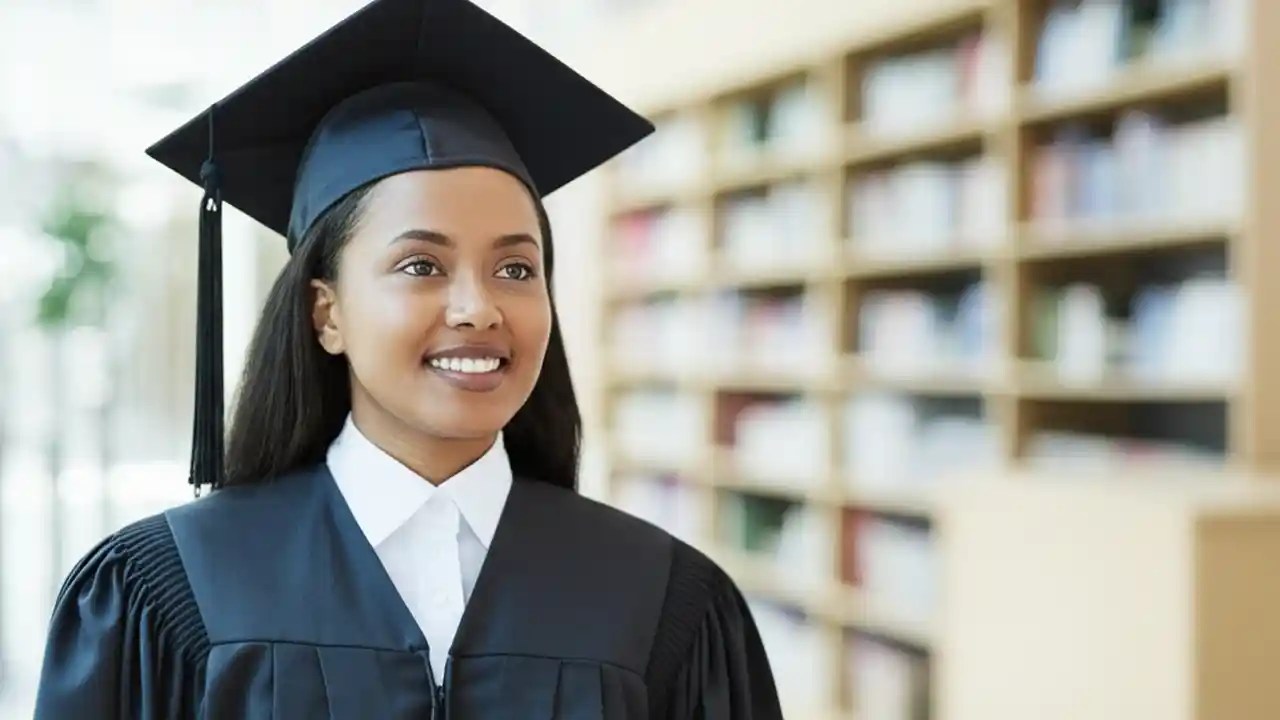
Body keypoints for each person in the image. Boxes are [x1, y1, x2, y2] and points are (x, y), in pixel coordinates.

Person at [32, 0, 784, 717]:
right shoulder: (169, 592)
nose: (478, 307)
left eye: (516, 269)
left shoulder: (662, 602)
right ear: (326, 314)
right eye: (421, 266)